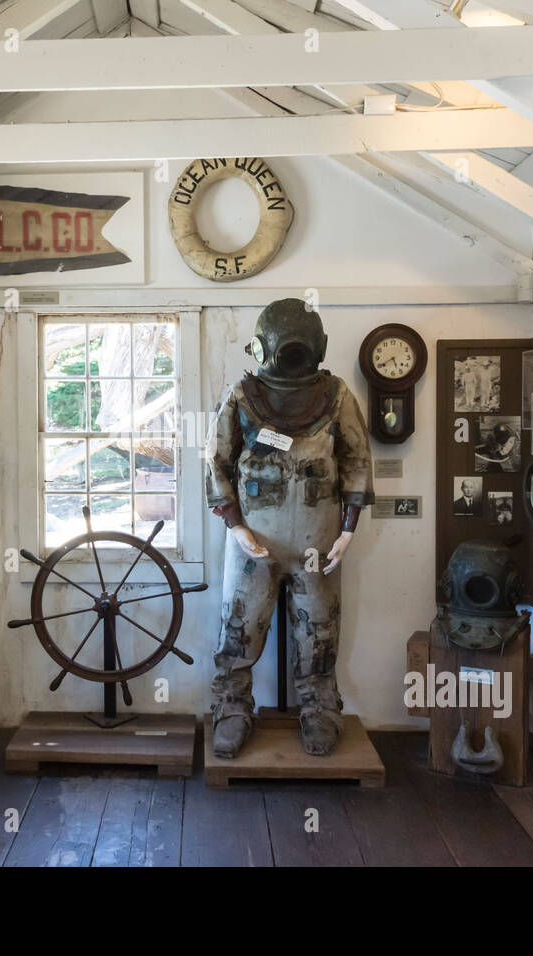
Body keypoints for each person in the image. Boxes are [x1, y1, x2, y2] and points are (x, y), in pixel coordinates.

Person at [204, 299, 373, 759]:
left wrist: (347, 530)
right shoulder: (242, 397)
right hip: (253, 542)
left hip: (319, 543)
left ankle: (319, 709)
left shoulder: (337, 397)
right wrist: (236, 526)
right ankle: (232, 709)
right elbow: (217, 462)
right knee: (239, 630)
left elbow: (357, 460)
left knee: (319, 630)